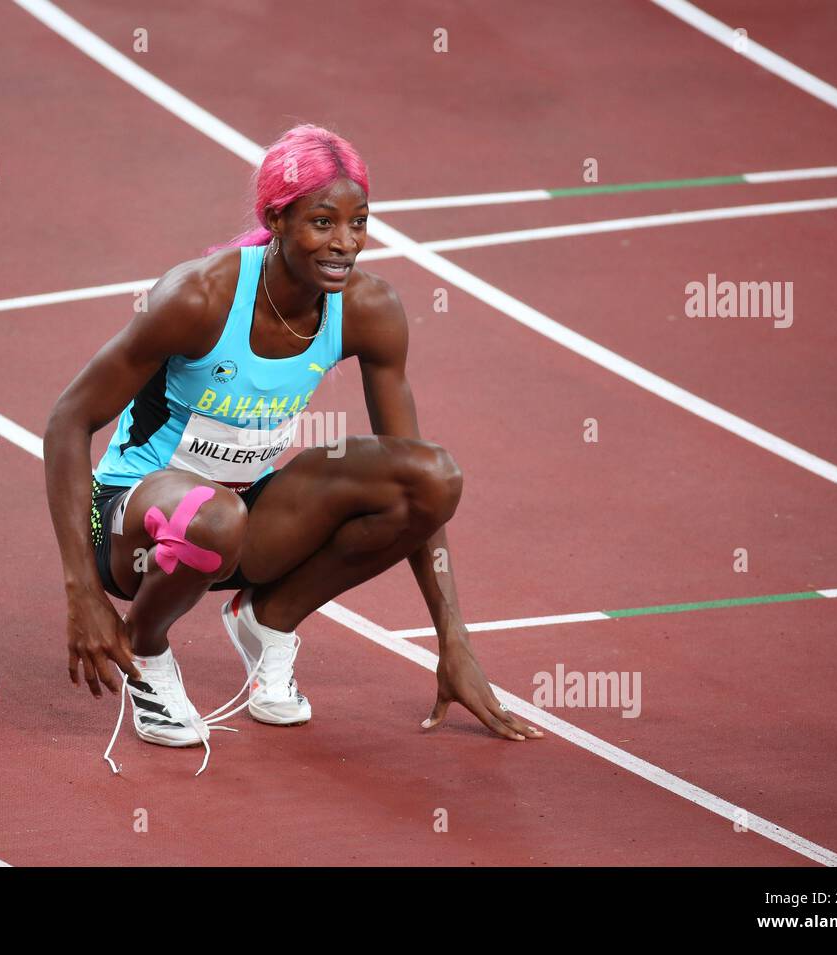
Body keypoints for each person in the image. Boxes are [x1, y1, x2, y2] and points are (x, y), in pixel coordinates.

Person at [43, 124, 543, 772]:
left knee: (432, 479)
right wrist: (81, 590)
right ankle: (147, 645)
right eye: (322, 222)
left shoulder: (368, 309)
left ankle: (269, 619)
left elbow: (416, 478)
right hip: (135, 520)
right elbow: (68, 420)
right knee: (213, 514)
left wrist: (455, 641)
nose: (345, 243)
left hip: (245, 517)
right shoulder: (199, 299)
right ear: (277, 219)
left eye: (358, 222)